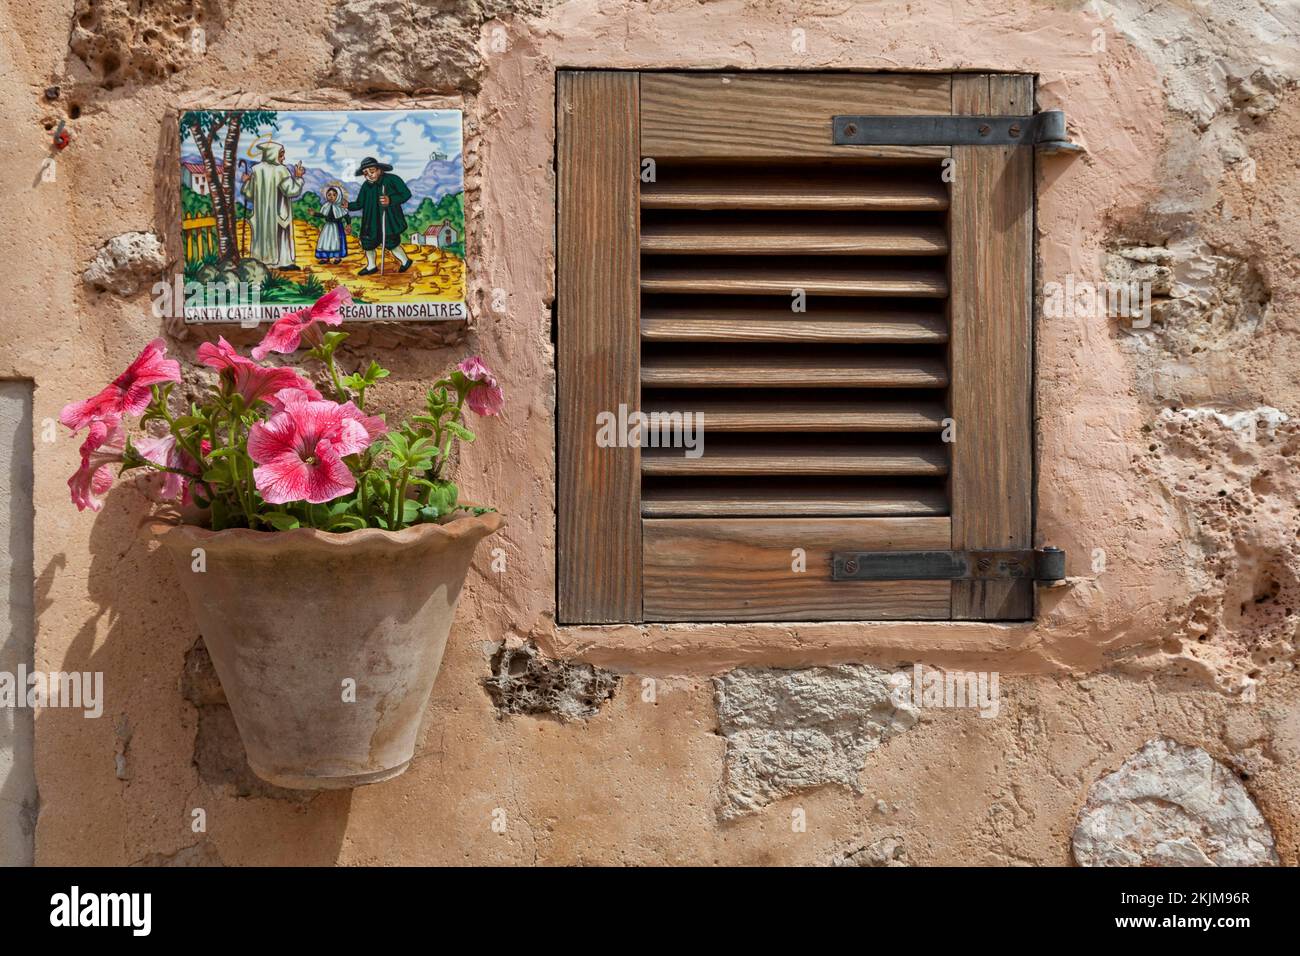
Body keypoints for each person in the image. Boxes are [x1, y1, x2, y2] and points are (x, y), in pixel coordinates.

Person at [241, 139, 306, 270]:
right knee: (279, 237)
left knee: (263, 236)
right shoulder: (281, 170)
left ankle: (262, 262)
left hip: (262, 215)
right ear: (273, 154)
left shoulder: (256, 170)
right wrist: (298, 177)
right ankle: (282, 263)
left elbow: (248, 193)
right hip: (278, 214)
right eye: (281, 154)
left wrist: (246, 181)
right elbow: (291, 191)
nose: (283, 158)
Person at [349, 156, 413, 276]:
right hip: (371, 220)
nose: (369, 175)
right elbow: (359, 203)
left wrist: (391, 199)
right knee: (368, 243)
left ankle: (405, 261)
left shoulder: (392, 180)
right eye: (365, 173)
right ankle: (371, 266)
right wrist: (348, 205)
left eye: (372, 171)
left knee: (391, 243)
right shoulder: (366, 186)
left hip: (387, 218)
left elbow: (406, 194)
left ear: (379, 170)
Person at [315, 185, 350, 265]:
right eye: (329, 195)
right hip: (327, 227)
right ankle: (325, 257)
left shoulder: (340, 206)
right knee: (326, 241)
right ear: (326, 196)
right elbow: (322, 215)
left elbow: (346, 216)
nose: (331, 197)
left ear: (338, 196)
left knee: (336, 242)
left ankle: (337, 258)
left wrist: (348, 224)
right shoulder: (326, 206)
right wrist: (314, 214)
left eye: (334, 195)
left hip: (337, 227)